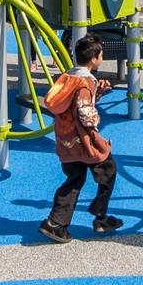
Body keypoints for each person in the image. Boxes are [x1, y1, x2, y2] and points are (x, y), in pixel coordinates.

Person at [37, 35, 124, 243]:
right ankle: (100, 215)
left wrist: (98, 93)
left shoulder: (67, 77)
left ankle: (56, 223)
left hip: (65, 140)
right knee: (108, 170)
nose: (102, 57)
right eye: (101, 54)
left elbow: (72, 103)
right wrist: (95, 118)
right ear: (94, 58)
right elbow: (85, 112)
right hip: (84, 141)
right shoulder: (85, 83)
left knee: (74, 179)